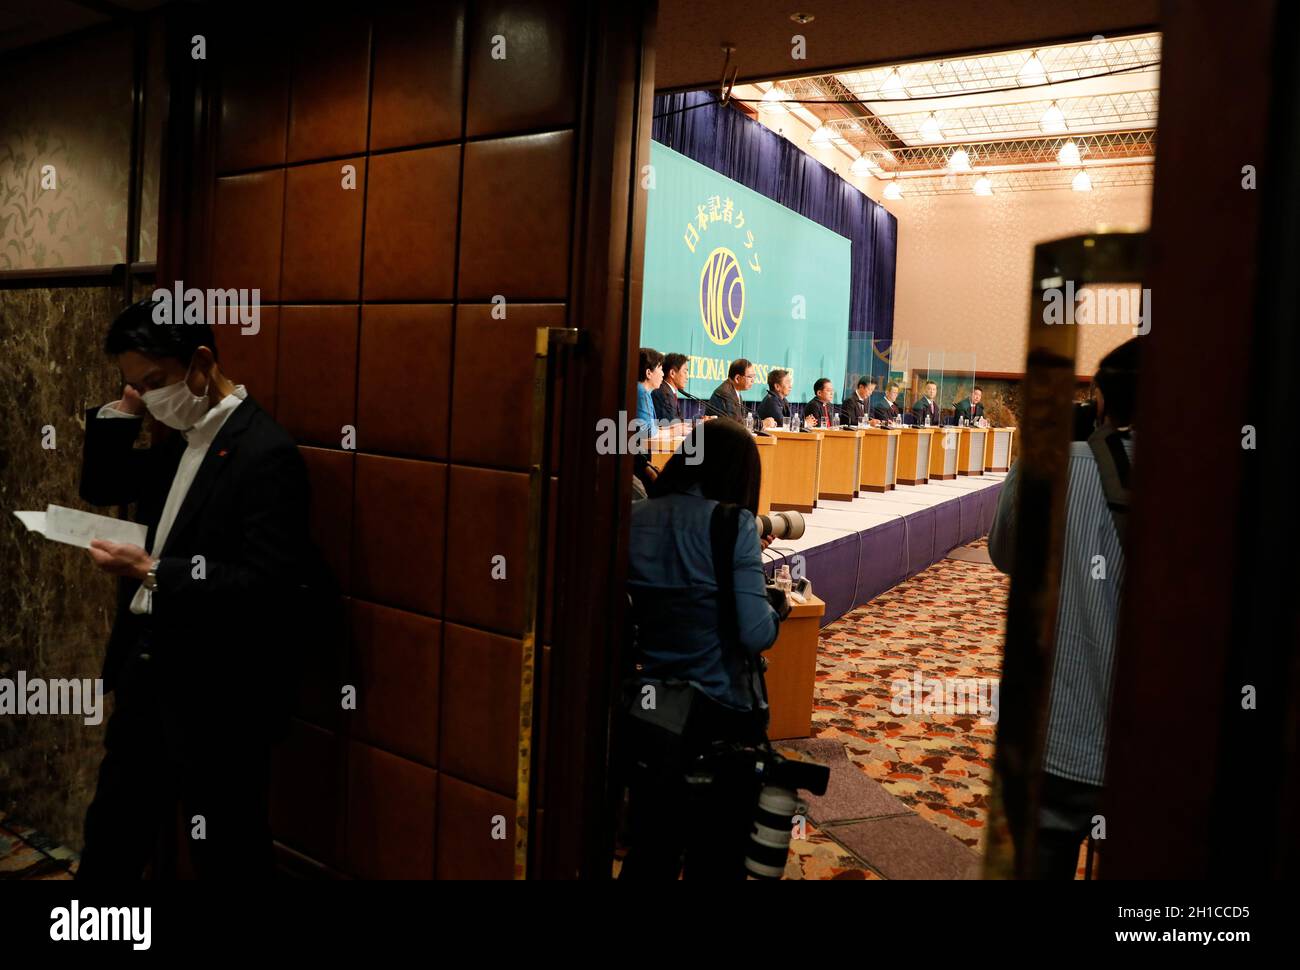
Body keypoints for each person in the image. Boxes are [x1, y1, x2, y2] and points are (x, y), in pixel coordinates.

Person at [76, 297, 322, 879]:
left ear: (202, 363)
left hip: (219, 694)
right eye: (137, 386)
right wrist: (127, 406)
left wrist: (154, 571)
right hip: (147, 671)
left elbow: (268, 583)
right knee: (113, 832)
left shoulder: (266, 453)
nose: (152, 399)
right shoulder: (178, 440)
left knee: (226, 848)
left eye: (156, 382)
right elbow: (102, 485)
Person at [988, 338, 1140, 879]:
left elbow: (1004, 551)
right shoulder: (1202, 482)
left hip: (1050, 736)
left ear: (1098, 400)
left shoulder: (1049, 465)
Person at [622, 419, 788, 879]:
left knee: (652, 848)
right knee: (716, 857)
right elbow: (756, 633)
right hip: (720, 712)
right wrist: (779, 606)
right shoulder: (731, 524)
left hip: (651, 710)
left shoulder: (635, 517)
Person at [706, 358, 754, 423]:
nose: (753, 380)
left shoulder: (734, 391)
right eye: (750, 377)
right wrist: (760, 424)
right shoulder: (725, 393)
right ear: (737, 378)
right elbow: (735, 423)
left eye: (754, 376)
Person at [653, 352, 688, 425]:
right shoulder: (664, 393)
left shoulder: (669, 391)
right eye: (685, 372)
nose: (687, 377)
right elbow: (673, 425)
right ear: (672, 373)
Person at [636, 347, 664, 434]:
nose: (663, 374)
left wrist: (670, 430)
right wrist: (671, 432)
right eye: (660, 369)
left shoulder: (642, 391)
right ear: (648, 373)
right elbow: (647, 432)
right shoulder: (642, 393)